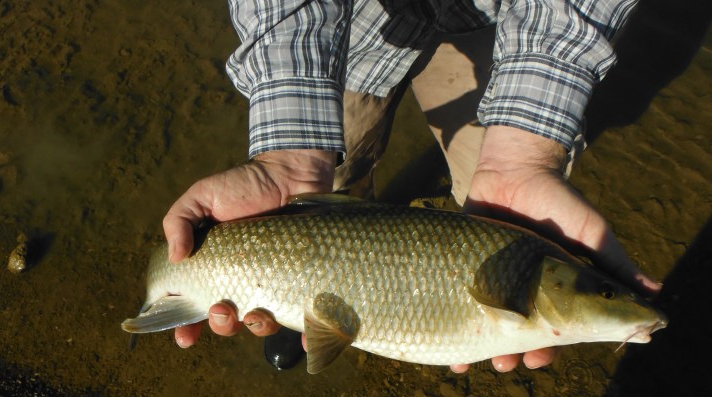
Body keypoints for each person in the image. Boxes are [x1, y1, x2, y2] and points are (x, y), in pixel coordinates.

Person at [162, 0, 661, 373]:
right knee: (327, 178)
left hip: (510, 27)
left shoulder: (537, 264)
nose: (616, 301)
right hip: (343, 30)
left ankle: (304, 310)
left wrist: (526, 154)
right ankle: (297, 310)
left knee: (506, 187)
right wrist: (290, 147)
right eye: (607, 294)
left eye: (605, 294)